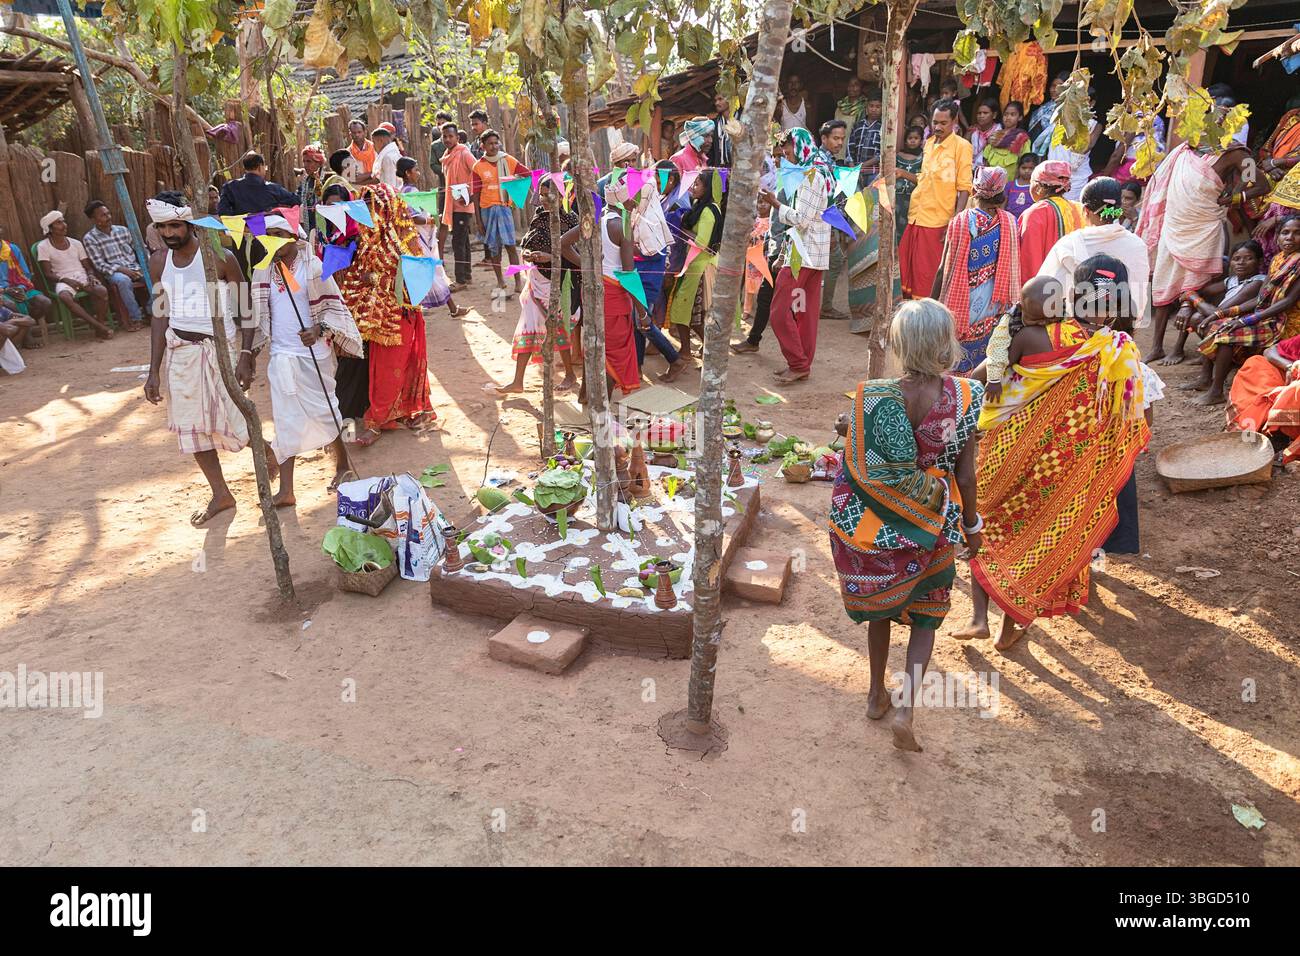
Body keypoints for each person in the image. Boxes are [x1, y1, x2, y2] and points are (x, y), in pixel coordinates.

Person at [955, 263, 1149, 650]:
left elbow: (980, 376)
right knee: (1038, 537)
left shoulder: (1033, 333)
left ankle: (978, 617)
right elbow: (1130, 415)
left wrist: (948, 393)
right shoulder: (1119, 350)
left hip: (1008, 452)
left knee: (989, 527)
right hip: (1065, 465)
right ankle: (1009, 627)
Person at [828, 298, 984, 752]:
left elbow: (872, 458)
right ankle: (907, 707)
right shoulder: (965, 398)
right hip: (933, 526)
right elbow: (966, 474)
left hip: (879, 526)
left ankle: (876, 691)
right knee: (926, 616)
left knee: (882, 610)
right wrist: (971, 525)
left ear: (899, 344)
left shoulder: (874, 397)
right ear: (945, 343)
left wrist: (848, 429)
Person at [142, 193, 271, 527]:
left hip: (221, 349)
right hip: (181, 352)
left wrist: (245, 354)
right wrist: (153, 371)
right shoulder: (159, 262)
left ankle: (268, 456)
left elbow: (245, 309)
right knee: (192, 428)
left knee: (237, 417)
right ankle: (221, 494)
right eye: (163, 227)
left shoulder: (219, 257)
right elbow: (160, 316)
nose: (169, 232)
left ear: (189, 224)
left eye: (175, 225)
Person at [252, 216, 362, 504]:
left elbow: (333, 308)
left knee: (326, 412)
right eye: (269, 234)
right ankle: (287, 491)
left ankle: (342, 465)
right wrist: (247, 355)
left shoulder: (312, 268)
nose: (273, 238)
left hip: (314, 354)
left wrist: (317, 330)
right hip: (281, 354)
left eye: (279, 233)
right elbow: (257, 317)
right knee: (284, 419)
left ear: (291, 236)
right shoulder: (263, 271)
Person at [1137, 137, 1254, 362]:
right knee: (1163, 288)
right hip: (1173, 227)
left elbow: (1257, 183)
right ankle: (1156, 347)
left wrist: (1234, 197)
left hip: (1205, 229)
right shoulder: (1183, 152)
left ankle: (1178, 348)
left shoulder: (1235, 153)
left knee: (1195, 288)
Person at [335, 184, 435, 446]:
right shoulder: (367, 239)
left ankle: (375, 422)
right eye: (367, 206)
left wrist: (376, 279)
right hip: (373, 317)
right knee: (382, 369)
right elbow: (357, 275)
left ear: (388, 207)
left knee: (392, 368)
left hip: (398, 316)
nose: (369, 211)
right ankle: (393, 413)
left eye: (374, 206)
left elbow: (414, 283)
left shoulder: (404, 241)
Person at [1189, 216, 1300, 406]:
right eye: (1285, 232)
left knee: (1226, 333)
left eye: (1297, 233)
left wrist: (1246, 321)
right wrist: (1221, 314)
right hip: (1268, 315)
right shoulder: (1277, 259)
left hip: (1286, 322)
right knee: (1216, 324)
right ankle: (1205, 378)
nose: (1290, 237)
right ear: (1277, 237)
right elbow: (1260, 299)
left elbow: (1288, 302)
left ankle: (1216, 391)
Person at [758, 128, 832, 383]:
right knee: (804, 311)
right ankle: (801, 363)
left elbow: (801, 220)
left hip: (804, 254)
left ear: (799, 146)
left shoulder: (811, 175)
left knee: (779, 311)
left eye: (787, 149)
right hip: (811, 253)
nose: (784, 155)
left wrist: (776, 204)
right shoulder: (813, 172)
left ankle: (798, 362)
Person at [494, 177, 580, 394]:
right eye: (541, 195)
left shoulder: (571, 221)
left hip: (559, 284)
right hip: (536, 283)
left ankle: (570, 375)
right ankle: (517, 382)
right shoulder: (539, 218)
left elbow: (577, 257)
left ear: (560, 195)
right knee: (527, 328)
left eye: (547, 195)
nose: (543, 200)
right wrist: (528, 254)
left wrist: (549, 257)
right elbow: (526, 243)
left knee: (559, 328)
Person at [560, 181, 643, 399]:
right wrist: (642, 311)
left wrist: (588, 266)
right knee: (614, 354)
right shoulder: (623, 225)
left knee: (595, 345)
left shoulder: (594, 220)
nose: (635, 202)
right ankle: (601, 408)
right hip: (615, 298)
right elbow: (628, 275)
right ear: (624, 200)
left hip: (594, 293)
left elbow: (563, 244)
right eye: (633, 197)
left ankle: (585, 394)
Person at [933, 166, 1021, 372]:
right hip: (996, 299)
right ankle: (982, 379)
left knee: (957, 341)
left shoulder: (961, 222)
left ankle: (958, 382)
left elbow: (942, 268)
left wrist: (933, 303)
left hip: (963, 297)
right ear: (1002, 196)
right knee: (990, 341)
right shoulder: (1009, 222)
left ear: (974, 192)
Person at [1036, 177, 1151, 329]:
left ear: (1085, 210)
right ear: (1117, 209)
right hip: (1121, 331)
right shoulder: (1137, 245)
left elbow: (1045, 292)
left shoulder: (1069, 244)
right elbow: (1139, 297)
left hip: (1076, 331)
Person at [899, 100, 973, 299]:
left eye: (943, 123)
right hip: (916, 214)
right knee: (908, 269)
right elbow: (924, 178)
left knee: (928, 273)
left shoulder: (962, 147)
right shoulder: (929, 143)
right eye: (935, 122)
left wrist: (955, 222)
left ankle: (927, 316)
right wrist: (903, 174)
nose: (938, 127)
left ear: (954, 121)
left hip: (939, 219)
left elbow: (965, 187)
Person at [1166, 239, 1266, 366]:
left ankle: (1214, 359)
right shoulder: (1232, 280)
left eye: (1248, 258)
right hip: (1225, 318)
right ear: (1230, 262)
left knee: (1198, 316)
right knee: (1195, 309)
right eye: (1236, 259)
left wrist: (1192, 297)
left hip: (1242, 325)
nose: (1241, 263)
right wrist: (1187, 303)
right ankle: (1185, 350)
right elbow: (1201, 291)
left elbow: (1219, 311)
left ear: (1260, 261)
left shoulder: (1258, 282)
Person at [397, 158, 468, 319]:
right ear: (408, 173)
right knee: (431, 272)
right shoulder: (411, 192)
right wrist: (432, 220)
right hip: (416, 239)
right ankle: (450, 309)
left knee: (428, 273)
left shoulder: (403, 190)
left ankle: (451, 308)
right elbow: (414, 218)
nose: (418, 173)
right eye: (416, 170)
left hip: (413, 238)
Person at [667, 167, 723, 360]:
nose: (693, 187)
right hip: (695, 265)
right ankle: (706, 346)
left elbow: (702, 243)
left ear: (707, 188)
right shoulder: (702, 205)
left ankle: (686, 350)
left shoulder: (707, 211)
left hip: (699, 268)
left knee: (685, 311)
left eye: (697, 184)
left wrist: (680, 228)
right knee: (692, 313)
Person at [36, 210, 113, 339]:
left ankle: (100, 325)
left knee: (102, 291)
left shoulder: (76, 243)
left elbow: (88, 267)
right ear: (50, 228)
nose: (64, 225)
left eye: (63, 221)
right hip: (62, 279)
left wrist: (91, 276)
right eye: (59, 223)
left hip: (81, 276)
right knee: (65, 297)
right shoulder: (43, 247)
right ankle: (99, 327)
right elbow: (48, 273)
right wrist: (66, 280)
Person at [472, 128, 528, 297]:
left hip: (504, 209)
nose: (494, 146)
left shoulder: (508, 160)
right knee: (494, 248)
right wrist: (478, 220)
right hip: (487, 211)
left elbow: (526, 174)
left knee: (511, 246)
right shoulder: (478, 166)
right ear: (483, 146)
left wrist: (514, 190)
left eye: (496, 143)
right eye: (490, 143)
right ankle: (500, 281)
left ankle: (518, 282)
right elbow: (475, 194)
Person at [1228, 333, 1300, 464]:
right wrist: (1289, 367)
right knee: (1256, 363)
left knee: (1296, 391)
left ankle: (1284, 438)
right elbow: (1270, 351)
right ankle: (1264, 428)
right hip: (1286, 385)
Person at [81, 200, 144, 332]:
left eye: (108, 213)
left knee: (156, 276)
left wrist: (146, 264)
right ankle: (136, 318)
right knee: (123, 281)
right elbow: (99, 264)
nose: (108, 217)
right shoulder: (90, 238)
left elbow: (140, 249)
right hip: (114, 272)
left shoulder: (123, 230)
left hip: (135, 266)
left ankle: (151, 311)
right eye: (103, 215)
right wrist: (123, 270)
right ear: (94, 219)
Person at [1017, 159, 1085, 276]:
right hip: (1075, 284)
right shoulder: (1079, 209)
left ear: (1038, 186)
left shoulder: (1035, 213)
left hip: (1043, 286)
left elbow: (1029, 261)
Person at [1045, 87, 1102, 200]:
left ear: (1092, 103)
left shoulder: (1094, 125)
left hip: (1075, 177)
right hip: (1052, 172)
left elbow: (1086, 146)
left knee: (1070, 210)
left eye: (1084, 101)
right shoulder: (1061, 118)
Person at [0, 225, 52, 348]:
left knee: (44, 302)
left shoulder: (12, 249)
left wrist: (21, 288)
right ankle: (27, 336)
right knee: (11, 304)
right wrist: (6, 290)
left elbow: (25, 273)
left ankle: (23, 330)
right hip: (2, 291)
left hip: (19, 286)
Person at [439, 122, 477, 290]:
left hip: (463, 205)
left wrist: (470, 196)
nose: (447, 139)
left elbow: (479, 173)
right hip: (452, 205)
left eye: (450, 136)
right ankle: (466, 275)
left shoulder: (464, 154)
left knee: (457, 242)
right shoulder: (447, 155)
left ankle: (460, 280)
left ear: (458, 137)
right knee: (463, 241)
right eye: (444, 136)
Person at [982, 101, 1031, 179]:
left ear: (1020, 117)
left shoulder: (1022, 139)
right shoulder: (994, 136)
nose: (1008, 117)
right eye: (1005, 114)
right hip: (990, 183)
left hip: (1009, 184)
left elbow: (1025, 163)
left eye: (1012, 115)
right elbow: (985, 161)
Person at [893, 126, 925, 239]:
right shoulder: (897, 156)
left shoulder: (924, 158)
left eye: (916, 138)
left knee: (908, 225)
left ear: (921, 140)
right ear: (905, 140)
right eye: (910, 138)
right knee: (895, 224)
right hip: (897, 197)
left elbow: (924, 178)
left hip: (914, 198)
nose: (912, 140)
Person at [1028, 72, 1070, 157]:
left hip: (1056, 154)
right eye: (1053, 86)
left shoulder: (1070, 111)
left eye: (1060, 86)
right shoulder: (1043, 109)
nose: (1055, 90)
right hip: (1034, 153)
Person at [847, 88, 883, 177]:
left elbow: (882, 154)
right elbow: (850, 147)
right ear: (866, 107)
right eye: (871, 106)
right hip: (855, 171)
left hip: (874, 172)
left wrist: (862, 165)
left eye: (878, 107)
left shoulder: (883, 127)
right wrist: (852, 166)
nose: (874, 109)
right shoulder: (858, 126)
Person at [835, 79, 868, 162]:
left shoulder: (865, 106)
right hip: (839, 149)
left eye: (856, 85)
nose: (852, 88)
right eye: (850, 85)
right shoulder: (840, 107)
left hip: (855, 149)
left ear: (861, 88)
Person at [968, 98, 1002, 172]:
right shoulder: (974, 132)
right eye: (979, 113)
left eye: (985, 113)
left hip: (991, 171)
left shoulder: (999, 131)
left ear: (994, 115)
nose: (981, 116)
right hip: (973, 170)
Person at [296, 144, 327, 216]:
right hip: (308, 224)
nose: (305, 165)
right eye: (304, 161)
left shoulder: (327, 179)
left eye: (309, 161)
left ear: (319, 163)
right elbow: (297, 199)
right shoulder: (305, 181)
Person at [1005, 152, 1037, 220]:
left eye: (1031, 168)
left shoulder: (1037, 187)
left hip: (1029, 221)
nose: (1027, 171)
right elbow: (1003, 204)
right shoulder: (1010, 185)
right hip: (1010, 221)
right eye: (1024, 168)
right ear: (1018, 168)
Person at [369, 124, 402, 190]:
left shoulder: (387, 158)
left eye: (374, 142)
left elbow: (389, 187)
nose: (373, 146)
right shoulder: (392, 153)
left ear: (380, 141)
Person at [708, 92, 733, 167]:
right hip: (719, 169)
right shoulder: (713, 124)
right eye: (715, 100)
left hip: (738, 169)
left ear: (730, 100)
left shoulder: (740, 121)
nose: (717, 103)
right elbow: (710, 151)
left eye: (720, 99)